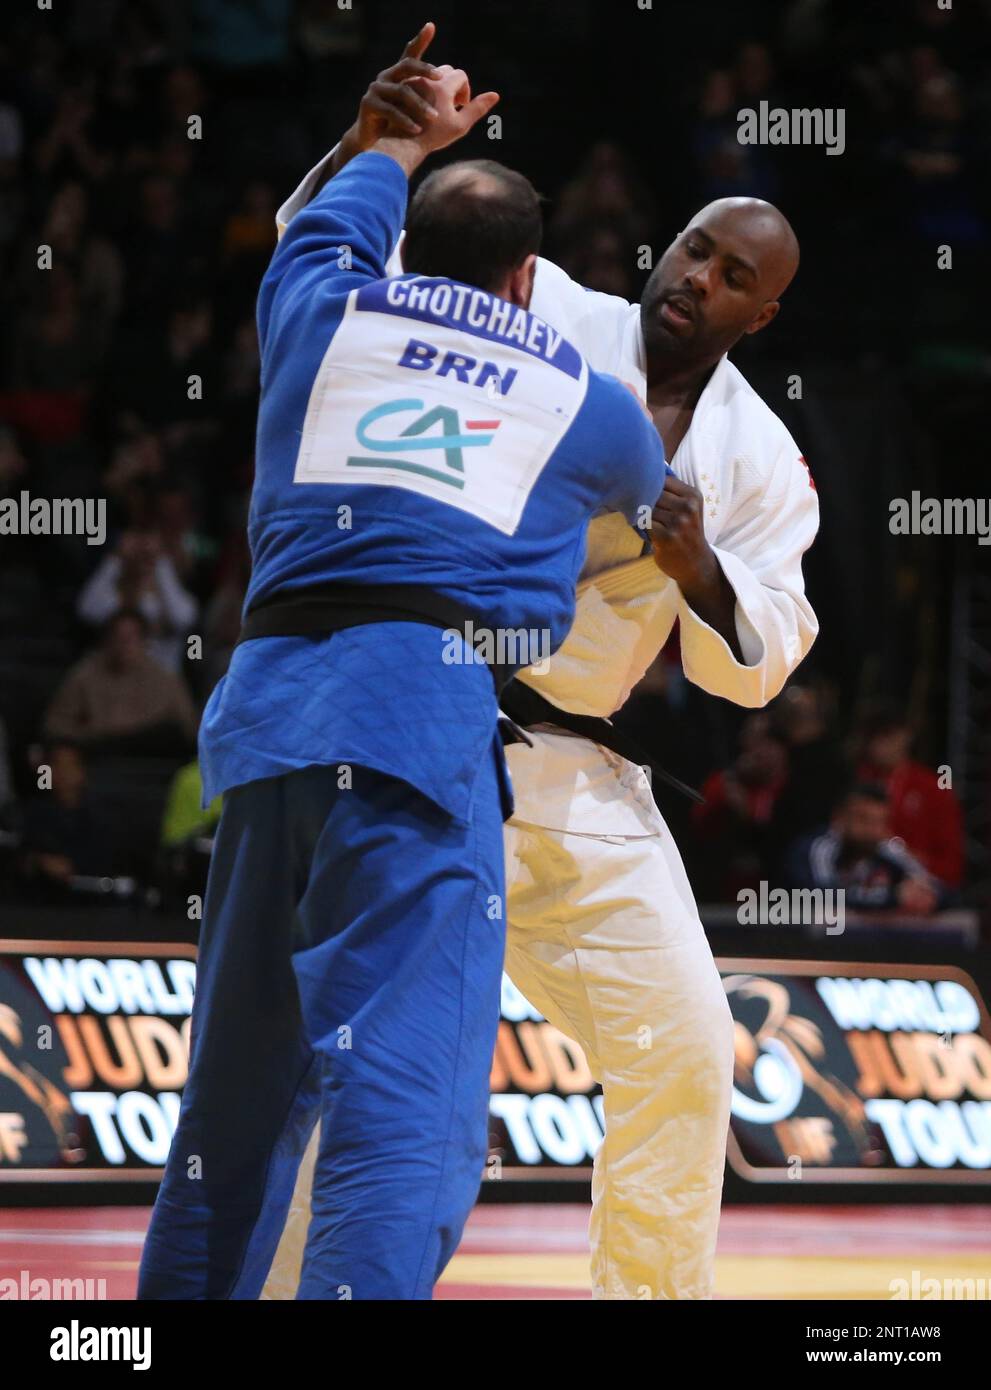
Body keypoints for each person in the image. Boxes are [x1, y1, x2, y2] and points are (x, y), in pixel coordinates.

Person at [267, 24, 819, 1301]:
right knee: (337, 1049)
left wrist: (698, 571)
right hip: (429, 719)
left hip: (579, 779)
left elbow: (763, 660)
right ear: (665, 244)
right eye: (693, 249)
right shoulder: (538, 301)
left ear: (762, 312)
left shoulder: (760, 457)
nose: (697, 279)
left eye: (733, 275)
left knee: (685, 1055)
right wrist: (373, 145)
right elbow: (328, 271)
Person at [138, 58, 668, 1302]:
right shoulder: (586, 403)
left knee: (232, 1104)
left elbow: (330, 209)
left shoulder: (318, 301)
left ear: (400, 252)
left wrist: (396, 138)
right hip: (419, 727)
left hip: (272, 726)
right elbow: (648, 513)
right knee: (399, 1108)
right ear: (529, 279)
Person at [43, 608, 198, 754]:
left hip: (151, 763)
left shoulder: (167, 679)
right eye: (117, 637)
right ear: (106, 641)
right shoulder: (84, 675)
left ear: (145, 642)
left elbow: (189, 728)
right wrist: (90, 734)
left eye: (131, 637)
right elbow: (54, 725)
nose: (124, 644)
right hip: (98, 757)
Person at [787, 783, 944, 916]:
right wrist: (892, 897)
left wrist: (924, 897)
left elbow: (941, 890)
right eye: (863, 819)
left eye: (880, 821)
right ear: (839, 818)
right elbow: (819, 896)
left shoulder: (885, 848)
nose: (873, 830)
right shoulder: (819, 848)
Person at [855, 705, 963, 888]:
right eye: (873, 738)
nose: (880, 746)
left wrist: (907, 857)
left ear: (906, 736)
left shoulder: (933, 788)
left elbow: (951, 866)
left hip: (919, 886)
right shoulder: (856, 783)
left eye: (888, 736)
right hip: (861, 883)